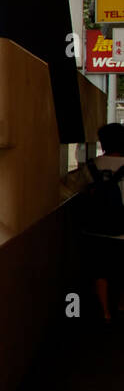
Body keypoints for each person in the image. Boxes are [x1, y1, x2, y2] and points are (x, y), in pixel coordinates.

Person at [83, 122, 124, 323]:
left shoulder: (92, 165)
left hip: (97, 227)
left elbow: (85, 191)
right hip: (123, 229)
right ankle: (121, 304)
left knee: (100, 269)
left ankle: (105, 311)